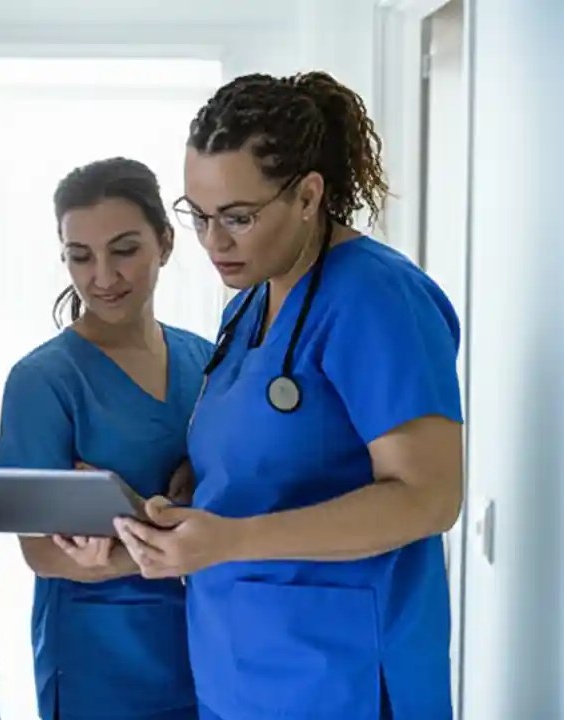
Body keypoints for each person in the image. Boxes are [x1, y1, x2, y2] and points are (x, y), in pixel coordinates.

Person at [111, 72, 465, 720]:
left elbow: (429, 498)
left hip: (342, 681)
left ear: (308, 195)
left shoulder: (376, 299)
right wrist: (172, 509)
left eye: (238, 218)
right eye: (198, 216)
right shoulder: (247, 306)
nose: (214, 243)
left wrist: (229, 540)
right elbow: (246, 469)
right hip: (237, 670)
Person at [0, 157, 213, 720]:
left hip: (210, 647)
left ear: (165, 243)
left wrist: (147, 530)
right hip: (101, 664)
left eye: (124, 250)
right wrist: (166, 549)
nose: (103, 277)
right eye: (80, 256)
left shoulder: (209, 361)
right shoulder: (45, 381)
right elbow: (40, 551)